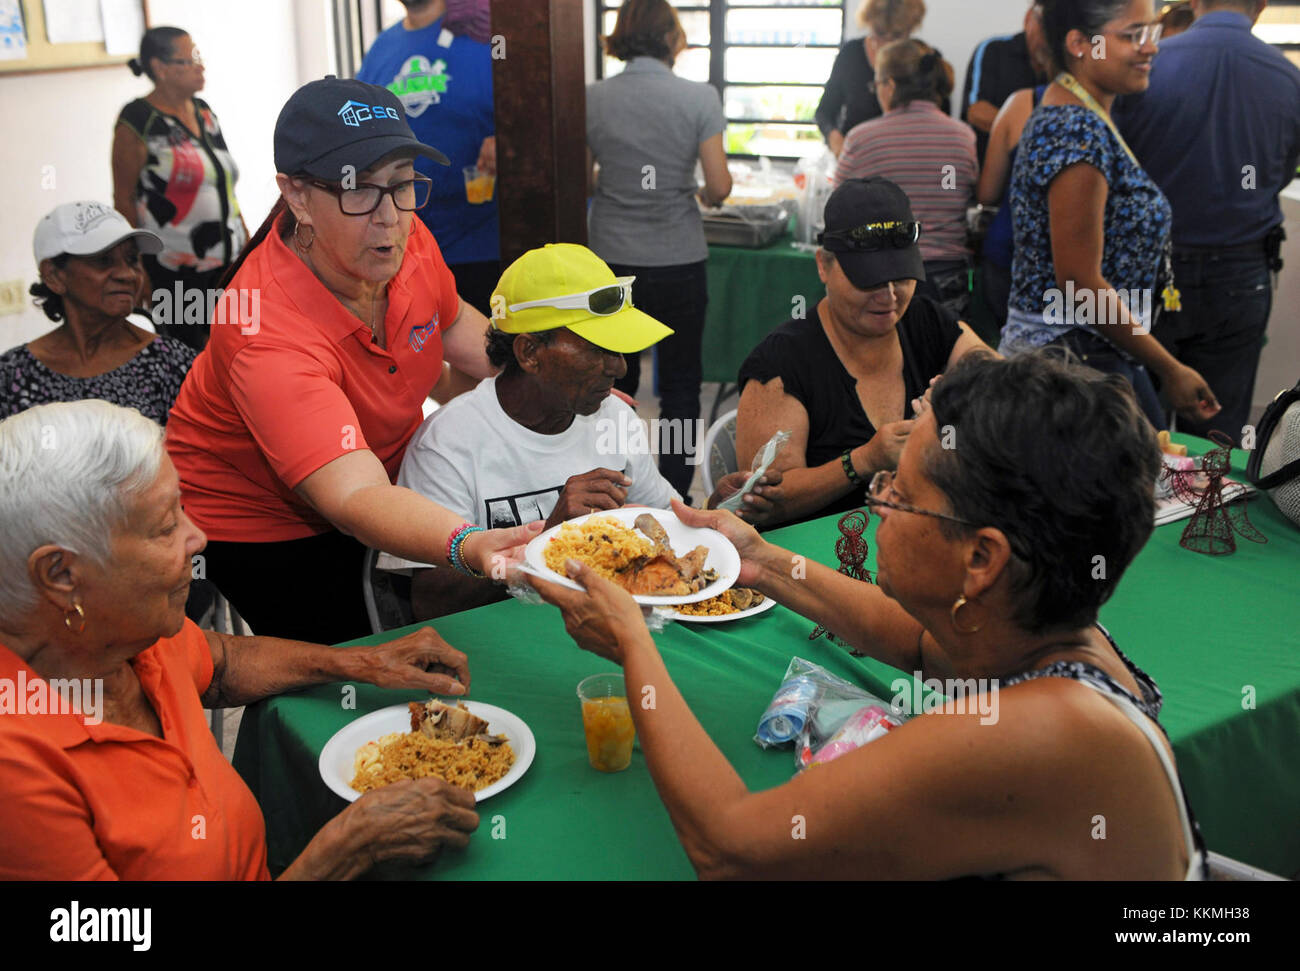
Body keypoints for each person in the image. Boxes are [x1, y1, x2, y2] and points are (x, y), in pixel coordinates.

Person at [527, 350, 1208, 880]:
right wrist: (759, 560)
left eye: (899, 492)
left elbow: (733, 848)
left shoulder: (1045, 734)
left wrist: (634, 648)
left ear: (982, 559)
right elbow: (915, 642)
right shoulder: (1029, 628)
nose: (876, 502)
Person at [0, 401, 481, 880]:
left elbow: (223, 662)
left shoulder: (124, 638)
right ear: (61, 574)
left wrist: (365, 663)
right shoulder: (16, 774)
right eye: (166, 527)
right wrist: (346, 851)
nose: (198, 538)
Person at [165, 78, 537, 645]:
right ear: (296, 196)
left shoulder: (400, 238)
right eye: (359, 191)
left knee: (454, 617)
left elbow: (459, 326)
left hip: (381, 473)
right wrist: (471, 544)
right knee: (365, 657)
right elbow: (353, 497)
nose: (389, 215)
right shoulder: (263, 328)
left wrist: (546, 377)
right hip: (265, 519)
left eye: (403, 184)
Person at [381, 243, 784, 619]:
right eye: (598, 350)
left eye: (620, 349)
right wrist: (548, 538)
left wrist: (717, 506)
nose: (620, 368)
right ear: (530, 353)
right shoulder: (447, 446)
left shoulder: (614, 419)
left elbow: (665, 530)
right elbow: (430, 603)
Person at [1000, 0, 1220, 432]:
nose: (1150, 48)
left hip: (1085, 354)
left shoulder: (1088, 116)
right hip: (1073, 366)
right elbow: (1080, 285)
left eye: (1151, 33)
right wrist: (1169, 368)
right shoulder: (1074, 128)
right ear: (1080, 44)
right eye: (1131, 35)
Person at [736, 178, 991, 528]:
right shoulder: (781, 366)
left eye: (901, 277)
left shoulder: (926, 320)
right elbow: (763, 503)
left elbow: (996, 375)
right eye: (869, 281)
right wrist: (862, 460)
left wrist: (956, 396)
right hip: (813, 560)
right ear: (824, 265)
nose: (889, 296)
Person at [1114, 0, 1300, 441]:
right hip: (1241, 272)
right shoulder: (1289, 78)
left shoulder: (1147, 67)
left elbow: (1116, 166)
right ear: (1261, 6)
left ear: (1195, 2)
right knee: (1220, 428)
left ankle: (1145, 503)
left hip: (1148, 269)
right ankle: (1215, 504)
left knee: (1138, 429)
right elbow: (1280, 173)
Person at [587, 0, 732, 498]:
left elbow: (583, 178)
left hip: (611, 262)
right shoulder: (699, 97)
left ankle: (610, 489)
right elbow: (718, 187)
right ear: (672, 37)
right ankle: (674, 491)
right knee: (681, 386)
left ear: (620, 37)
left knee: (607, 383)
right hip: (678, 260)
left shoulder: (593, 98)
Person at [357, 0, 500, 317]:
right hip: (399, 245)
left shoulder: (485, 34)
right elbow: (357, 129)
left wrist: (511, 139)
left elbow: (538, 109)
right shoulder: (382, 46)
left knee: (486, 356)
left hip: (481, 245)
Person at [112, 27, 247, 351]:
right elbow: (123, 198)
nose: (200, 66)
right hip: (175, 270)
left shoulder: (204, 113)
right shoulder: (138, 120)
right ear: (160, 68)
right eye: (190, 60)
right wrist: (134, 265)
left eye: (198, 57)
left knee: (241, 350)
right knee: (190, 360)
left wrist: (248, 240)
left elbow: (223, 183)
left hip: (229, 264)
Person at [1, 202, 194, 426]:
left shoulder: (174, 365)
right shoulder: (12, 375)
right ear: (54, 276)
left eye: (132, 260)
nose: (127, 275)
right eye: (103, 260)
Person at [834, 40, 977, 316]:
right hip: (947, 276)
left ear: (889, 85)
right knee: (943, 356)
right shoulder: (963, 136)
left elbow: (837, 210)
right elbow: (971, 195)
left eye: (875, 85)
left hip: (883, 277)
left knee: (884, 358)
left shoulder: (863, 138)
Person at [976, 79, 1048, 329]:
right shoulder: (1119, 112)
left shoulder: (1021, 103)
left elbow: (987, 192)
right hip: (1077, 279)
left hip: (1008, 254)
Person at [816, 0, 929, 158]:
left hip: (904, 161)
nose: (887, 44)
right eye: (880, 33)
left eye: (896, 35)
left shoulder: (923, 58)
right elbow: (824, 112)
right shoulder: (851, 54)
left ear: (909, 30)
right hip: (856, 157)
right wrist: (835, 139)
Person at [960, 2, 1050, 164]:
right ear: (1029, 18)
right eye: (1047, 26)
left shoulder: (1064, 62)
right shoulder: (993, 50)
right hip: (985, 164)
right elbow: (976, 112)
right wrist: (1036, 134)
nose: (1050, 38)